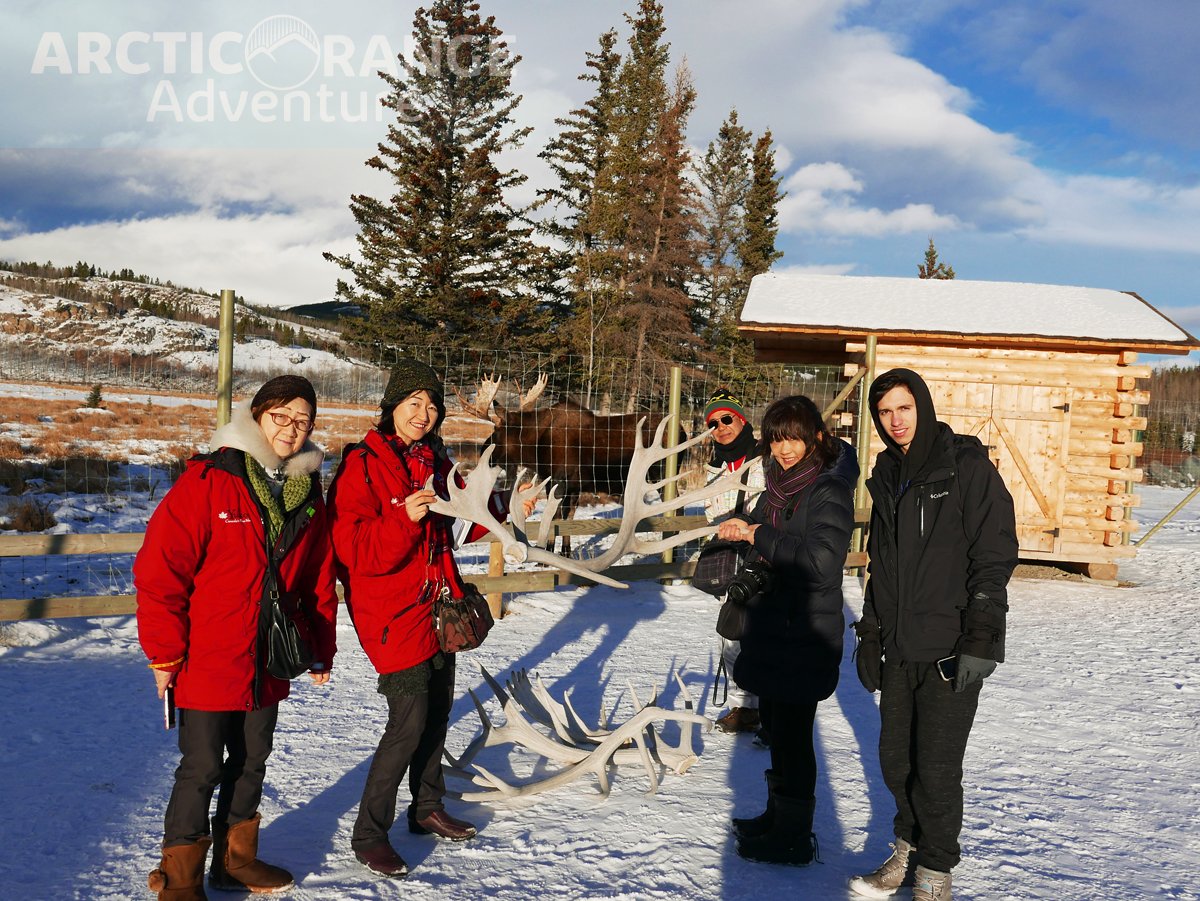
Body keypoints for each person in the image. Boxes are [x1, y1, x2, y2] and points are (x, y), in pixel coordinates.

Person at [326, 359, 535, 880]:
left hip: (439, 608)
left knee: (439, 710)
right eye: (413, 403)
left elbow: (462, 525)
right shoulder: (362, 466)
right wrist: (403, 518)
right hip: (392, 613)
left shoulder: (434, 461)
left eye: (431, 405)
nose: (423, 413)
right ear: (391, 406)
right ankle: (370, 832)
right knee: (408, 722)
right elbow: (352, 550)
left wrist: (507, 507)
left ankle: (426, 808)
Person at [136, 375, 338, 901]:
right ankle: (180, 879)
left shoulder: (307, 490)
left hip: (268, 655)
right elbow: (161, 571)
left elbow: (317, 576)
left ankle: (236, 861)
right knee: (201, 765)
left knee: (252, 759)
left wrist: (319, 646)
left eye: (303, 420)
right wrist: (164, 653)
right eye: (281, 416)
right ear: (257, 416)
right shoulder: (211, 480)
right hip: (207, 655)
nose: (292, 429)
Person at [850, 368, 1017, 901]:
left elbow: (992, 557)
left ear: (922, 406)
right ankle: (907, 848)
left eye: (904, 408)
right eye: (884, 413)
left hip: (950, 649)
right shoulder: (887, 475)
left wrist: (982, 637)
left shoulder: (965, 468)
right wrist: (871, 635)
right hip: (900, 646)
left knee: (937, 770)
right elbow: (882, 565)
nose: (895, 421)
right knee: (896, 762)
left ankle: (935, 872)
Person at [717, 394, 858, 866]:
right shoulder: (781, 485)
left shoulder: (827, 489)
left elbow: (821, 563)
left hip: (805, 632)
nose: (784, 449)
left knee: (796, 739)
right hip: (777, 625)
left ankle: (795, 837)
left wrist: (759, 535)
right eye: (777, 440)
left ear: (816, 437)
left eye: (794, 438)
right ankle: (778, 817)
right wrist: (748, 526)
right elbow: (780, 533)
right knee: (779, 731)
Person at [700, 388, 766, 736]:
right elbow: (710, 510)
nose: (721, 427)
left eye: (726, 418)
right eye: (713, 423)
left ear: (741, 419)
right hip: (732, 559)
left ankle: (772, 708)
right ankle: (746, 707)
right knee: (732, 633)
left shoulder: (766, 457)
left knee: (766, 634)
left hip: (764, 556)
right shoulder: (715, 465)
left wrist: (746, 523)